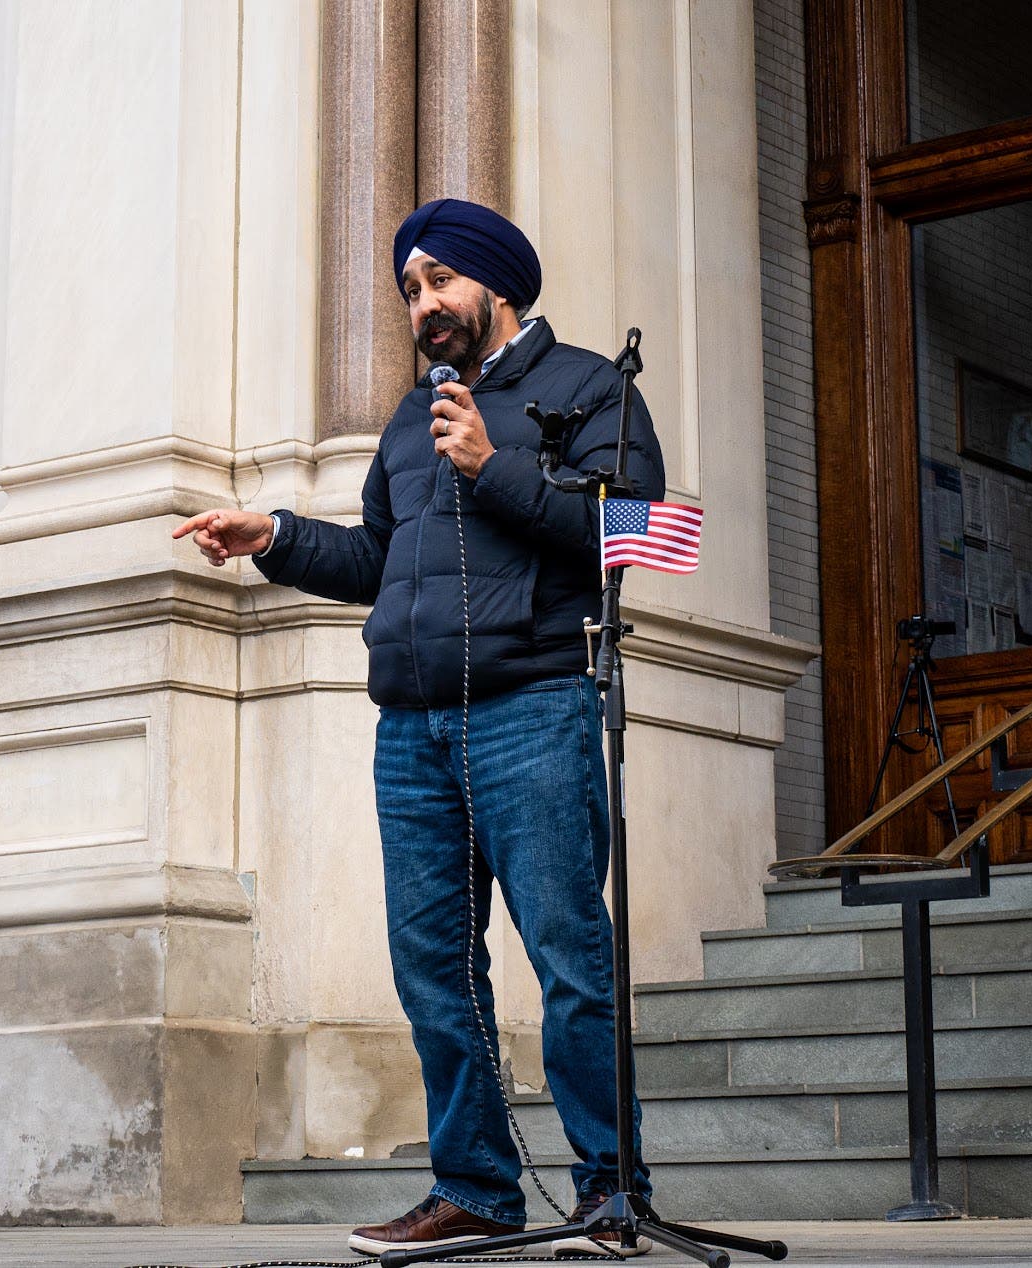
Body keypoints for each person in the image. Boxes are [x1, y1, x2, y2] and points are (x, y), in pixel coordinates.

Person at [174, 199, 660, 1257]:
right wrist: (281, 537)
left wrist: (497, 466)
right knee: (435, 969)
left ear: (498, 287)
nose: (423, 304)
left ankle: (611, 1190)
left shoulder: (589, 387)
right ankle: (477, 1186)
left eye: (440, 281)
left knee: (569, 958)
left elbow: (631, 535)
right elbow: (375, 563)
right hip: (415, 730)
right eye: (408, 288)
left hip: (537, 709)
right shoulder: (408, 418)